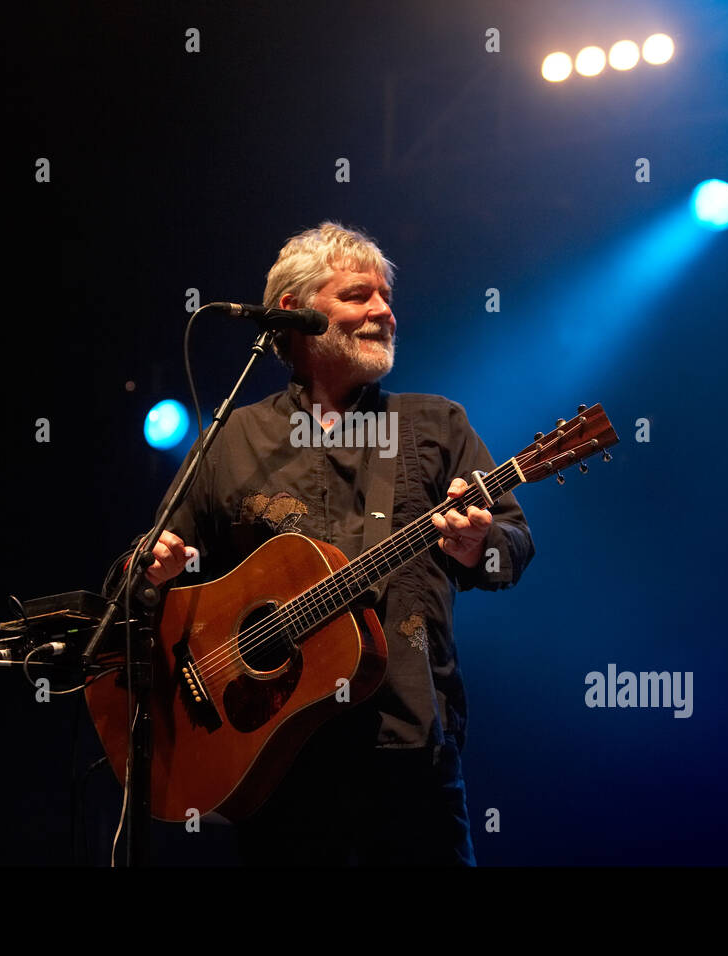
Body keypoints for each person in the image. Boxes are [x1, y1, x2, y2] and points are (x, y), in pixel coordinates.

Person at [141, 221, 534, 865]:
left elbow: (511, 552)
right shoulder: (233, 438)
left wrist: (480, 544)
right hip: (272, 758)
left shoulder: (436, 425)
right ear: (294, 314)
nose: (384, 310)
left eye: (386, 296)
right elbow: (154, 572)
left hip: (405, 754)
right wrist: (153, 570)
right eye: (358, 295)